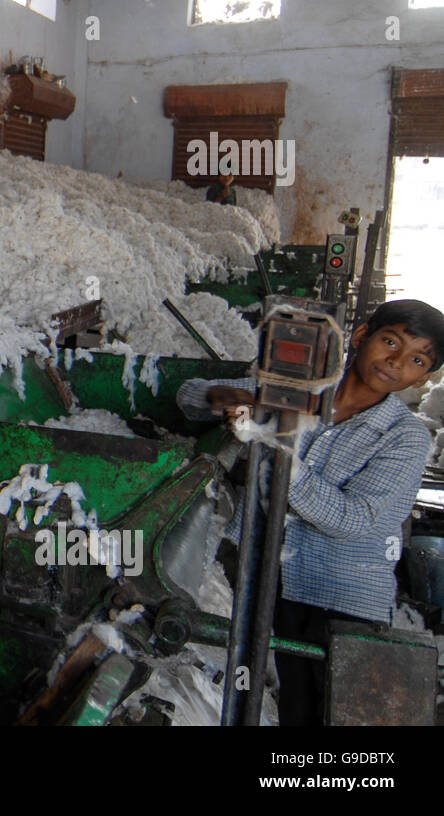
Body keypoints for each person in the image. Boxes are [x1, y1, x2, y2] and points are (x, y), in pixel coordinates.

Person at [177, 298, 444, 724]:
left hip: (339, 597)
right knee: (245, 695)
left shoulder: (405, 438)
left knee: (314, 712)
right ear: (360, 337)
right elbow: (187, 395)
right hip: (253, 571)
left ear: (424, 376)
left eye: (414, 359)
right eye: (389, 341)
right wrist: (226, 397)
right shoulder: (298, 387)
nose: (395, 361)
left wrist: (275, 444)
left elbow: (355, 519)